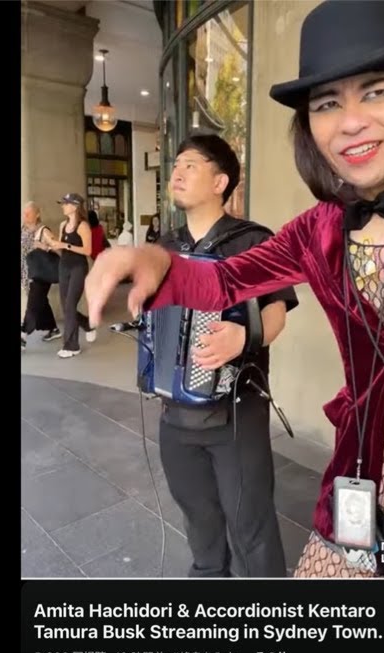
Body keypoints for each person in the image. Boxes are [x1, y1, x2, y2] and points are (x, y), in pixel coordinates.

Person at [85, 0, 384, 579]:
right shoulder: (320, 228)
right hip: (362, 465)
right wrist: (151, 260)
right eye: (327, 104)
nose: (350, 121)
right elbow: (226, 279)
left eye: (377, 91)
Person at [150, 133, 299, 578]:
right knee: (200, 521)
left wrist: (243, 336)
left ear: (220, 182)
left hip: (236, 413)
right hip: (174, 415)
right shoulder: (164, 247)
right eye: (175, 164)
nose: (177, 172)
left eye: (190, 164)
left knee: (250, 525)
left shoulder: (251, 241)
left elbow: (277, 310)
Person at [46, 193, 98, 357]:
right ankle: (87, 324)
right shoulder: (63, 225)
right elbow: (61, 248)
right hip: (64, 266)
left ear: (74, 206)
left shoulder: (83, 226)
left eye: (65, 204)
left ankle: (71, 345)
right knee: (66, 306)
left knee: (69, 306)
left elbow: (88, 251)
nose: (62, 206)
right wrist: (51, 245)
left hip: (78, 267)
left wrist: (65, 245)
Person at [20, 201, 61, 349]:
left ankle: (23, 334)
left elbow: (60, 250)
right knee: (40, 300)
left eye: (28, 213)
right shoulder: (23, 229)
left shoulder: (43, 231)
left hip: (41, 272)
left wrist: (46, 247)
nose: (25, 216)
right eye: (24, 213)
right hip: (26, 271)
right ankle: (53, 329)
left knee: (33, 302)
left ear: (37, 214)